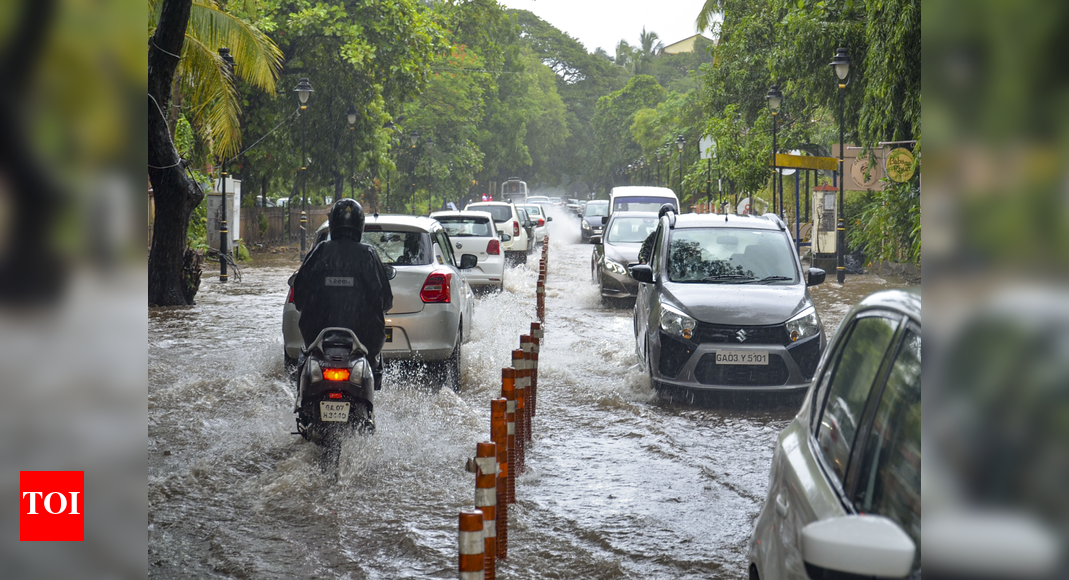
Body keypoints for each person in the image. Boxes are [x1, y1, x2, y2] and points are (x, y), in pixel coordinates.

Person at [292, 199, 393, 388]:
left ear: (333, 224)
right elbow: (386, 300)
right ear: (360, 226)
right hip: (365, 340)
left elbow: (299, 295)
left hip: (317, 338)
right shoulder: (368, 254)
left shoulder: (319, 251)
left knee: (304, 357)